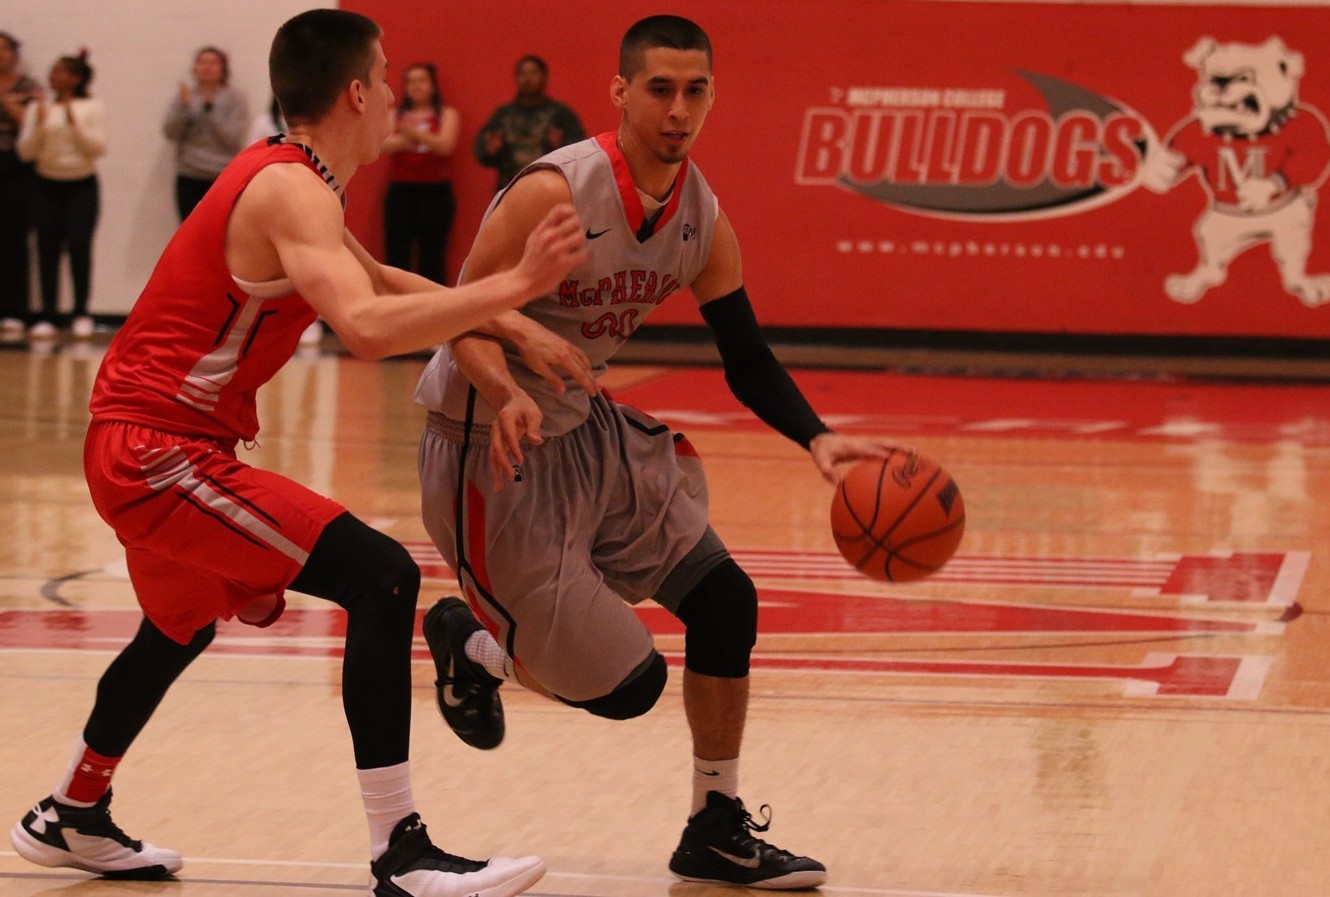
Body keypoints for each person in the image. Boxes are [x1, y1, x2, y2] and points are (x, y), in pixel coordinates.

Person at [8, 10, 585, 897]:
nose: (394, 91)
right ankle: (403, 852)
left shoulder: (297, 177)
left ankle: (72, 811)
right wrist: (517, 282)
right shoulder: (290, 189)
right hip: (157, 450)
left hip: (145, 440)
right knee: (382, 575)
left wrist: (513, 333)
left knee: (177, 624)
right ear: (357, 92)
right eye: (386, 76)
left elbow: (388, 283)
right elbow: (362, 326)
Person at [415, 14, 892, 890]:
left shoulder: (699, 215)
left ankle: (714, 826)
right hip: (491, 446)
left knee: (725, 600)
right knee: (629, 687)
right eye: (661, 89)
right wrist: (508, 390)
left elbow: (744, 357)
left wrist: (818, 439)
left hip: (587, 431)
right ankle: (470, 642)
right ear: (621, 92)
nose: (679, 110)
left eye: (696, 90)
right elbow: (456, 312)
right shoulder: (555, 190)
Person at [16, 50, 107, 340]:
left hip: (81, 185)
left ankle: (81, 312)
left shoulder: (92, 107)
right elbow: (25, 151)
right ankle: (48, 315)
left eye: (61, 71)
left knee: (79, 246)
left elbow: (98, 148)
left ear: (77, 78)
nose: (54, 76)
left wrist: (73, 123)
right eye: (53, 71)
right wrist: (40, 125)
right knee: (47, 249)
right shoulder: (38, 109)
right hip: (46, 185)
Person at [382, 62, 459, 285]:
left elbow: (445, 145)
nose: (416, 86)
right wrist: (415, 138)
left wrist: (412, 134)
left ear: (433, 86)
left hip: (436, 192)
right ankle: (395, 308)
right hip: (401, 191)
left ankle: (434, 311)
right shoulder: (394, 114)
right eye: (411, 81)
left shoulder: (447, 114)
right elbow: (381, 145)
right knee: (396, 254)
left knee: (433, 256)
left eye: (421, 80)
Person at [473, 55, 584, 192]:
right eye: (523, 73)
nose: (528, 79)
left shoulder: (560, 114)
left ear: (545, 77)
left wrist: (559, 146)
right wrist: (492, 151)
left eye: (533, 73)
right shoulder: (503, 115)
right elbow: (483, 152)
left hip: (550, 190)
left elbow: (578, 153)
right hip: (509, 189)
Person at [162, 46, 248, 220]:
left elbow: (233, 139)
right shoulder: (185, 97)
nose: (207, 67)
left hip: (221, 176)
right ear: (194, 68)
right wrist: (183, 108)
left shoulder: (234, 99)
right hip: (189, 174)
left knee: (220, 235)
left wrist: (210, 110)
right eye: (202, 62)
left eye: (213, 63)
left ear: (222, 68)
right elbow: (170, 133)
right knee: (188, 234)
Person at [0, 31, 42, 336]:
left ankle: (15, 310)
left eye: (4, 49)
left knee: (14, 238)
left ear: (15, 53)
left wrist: (5, 100)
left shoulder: (29, 86)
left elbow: (26, 122)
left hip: (16, 167)